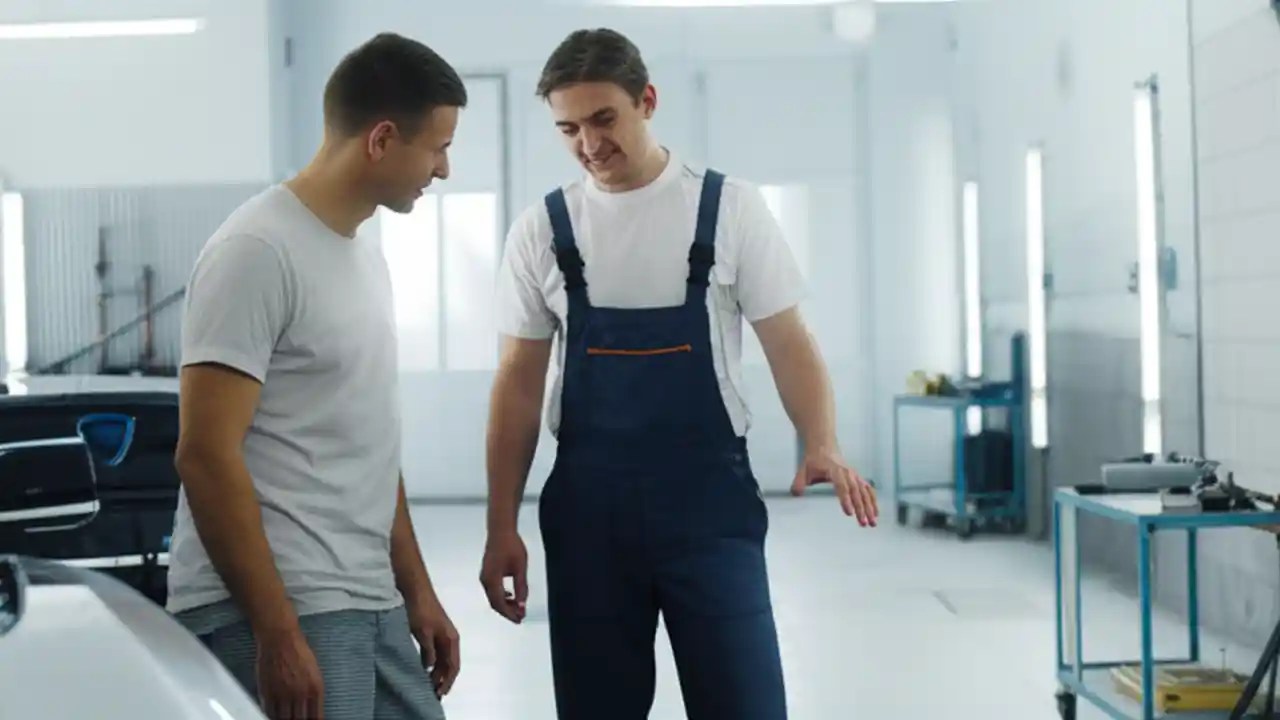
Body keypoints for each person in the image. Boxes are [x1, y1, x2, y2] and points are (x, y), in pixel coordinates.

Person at [480, 27, 879, 720]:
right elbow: (518, 384)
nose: (589, 144)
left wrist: (822, 440)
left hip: (708, 508)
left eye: (604, 119)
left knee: (744, 702)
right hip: (587, 512)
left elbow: (788, 341)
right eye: (568, 128)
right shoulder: (542, 230)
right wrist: (499, 523)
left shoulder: (728, 209)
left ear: (648, 101)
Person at [166, 33, 465, 720]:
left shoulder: (362, 259)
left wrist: (415, 589)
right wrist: (276, 634)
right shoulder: (256, 250)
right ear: (382, 139)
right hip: (285, 605)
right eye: (438, 146)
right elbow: (205, 454)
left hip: (364, 595)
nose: (444, 168)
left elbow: (364, 441)